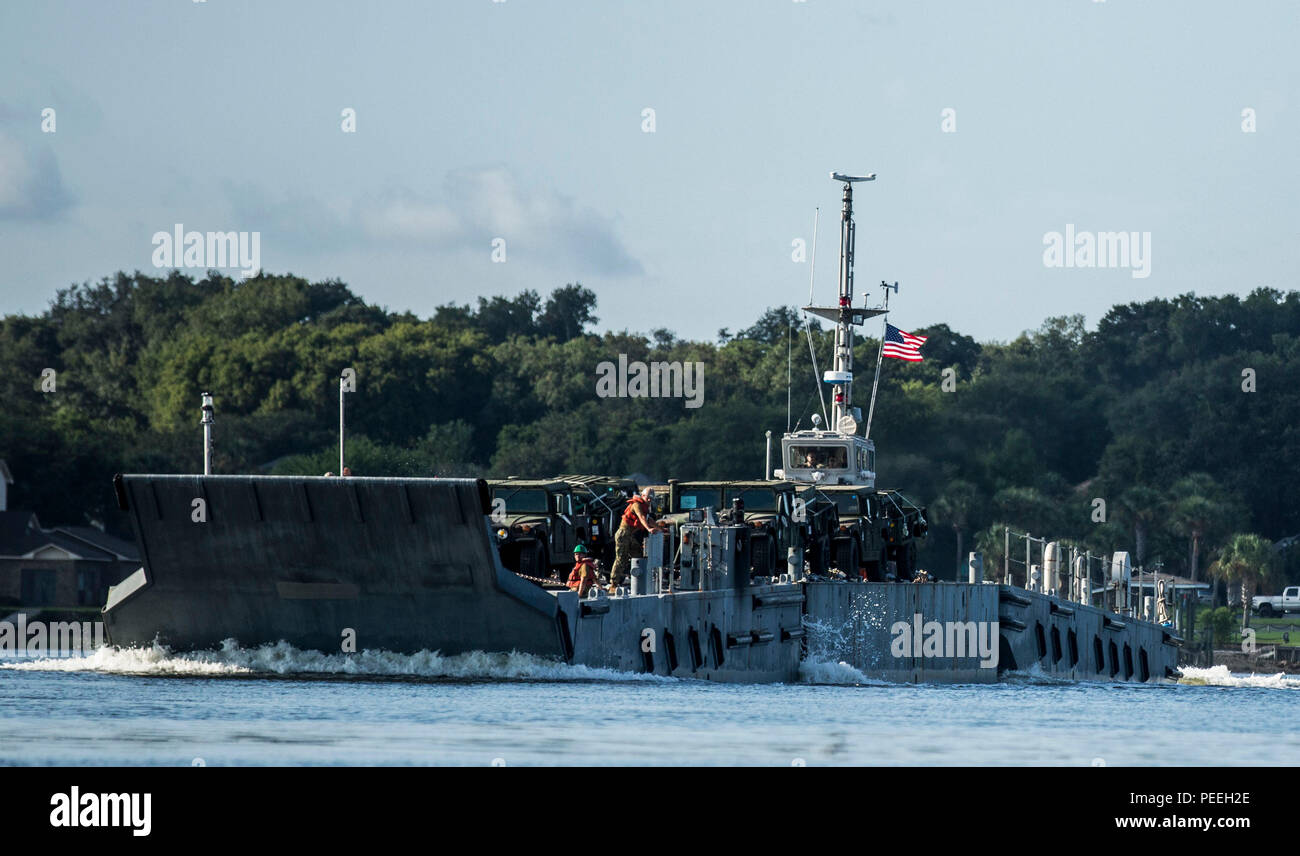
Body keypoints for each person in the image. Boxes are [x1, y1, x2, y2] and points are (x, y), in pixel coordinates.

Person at [610, 487, 665, 589]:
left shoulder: (645, 507)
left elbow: (649, 519)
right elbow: (641, 517)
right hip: (623, 534)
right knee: (621, 558)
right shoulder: (637, 505)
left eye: (651, 498)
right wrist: (648, 529)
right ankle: (613, 584)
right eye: (648, 497)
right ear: (643, 496)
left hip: (630, 535)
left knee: (638, 555)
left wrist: (660, 529)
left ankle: (640, 580)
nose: (649, 500)